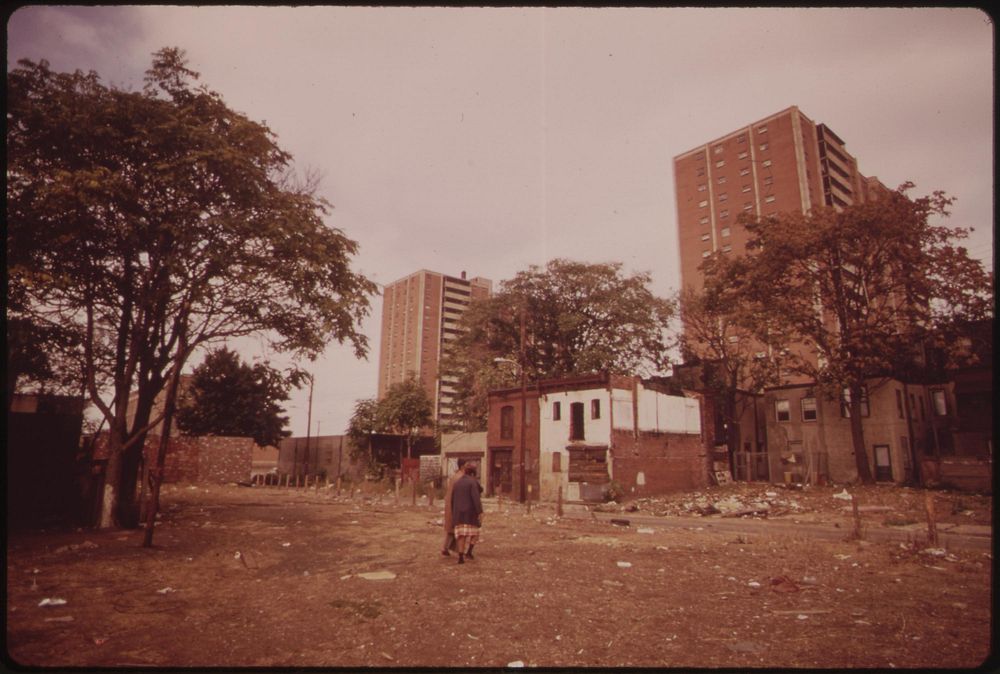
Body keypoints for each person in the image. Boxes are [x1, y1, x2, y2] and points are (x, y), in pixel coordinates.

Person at [450, 461, 484, 564]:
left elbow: (452, 499)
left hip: (458, 514)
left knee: (461, 535)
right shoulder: (472, 482)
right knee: (475, 533)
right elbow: (476, 498)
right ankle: (469, 551)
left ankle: (461, 557)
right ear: (473, 474)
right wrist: (480, 511)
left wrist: (453, 512)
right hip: (470, 514)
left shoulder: (457, 483)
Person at [441, 458, 466, 556]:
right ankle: (455, 550)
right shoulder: (460, 477)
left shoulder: (456, 476)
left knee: (452, 529)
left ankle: (446, 548)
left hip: (452, 504)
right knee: (456, 528)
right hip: (455, 505)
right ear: (462, 466)